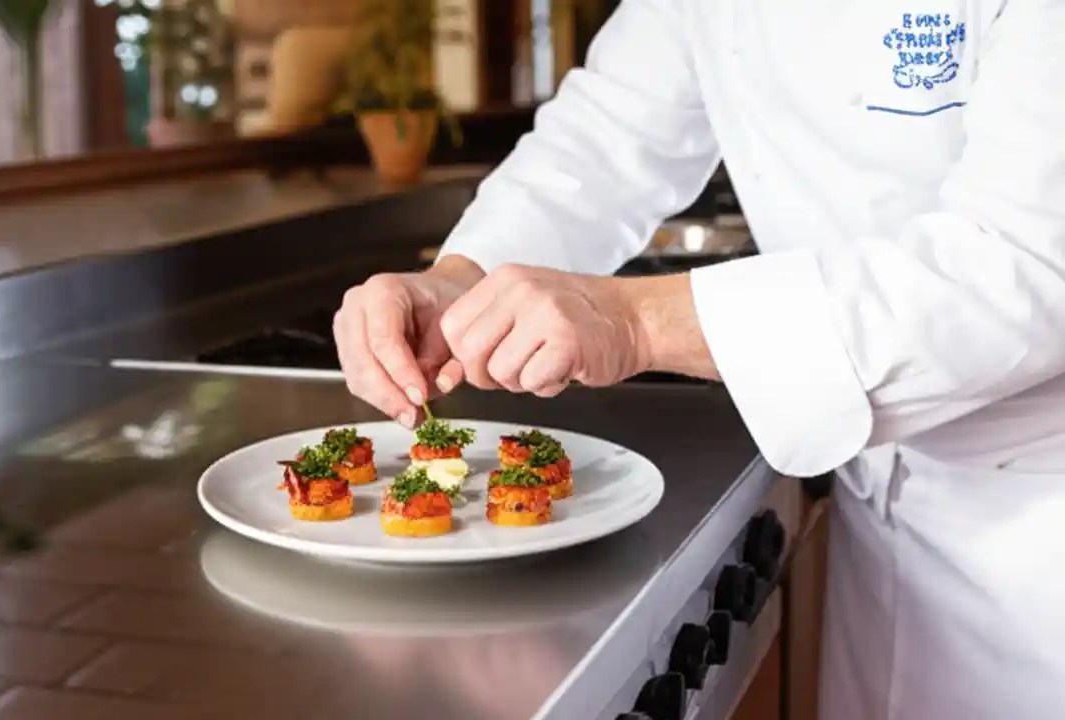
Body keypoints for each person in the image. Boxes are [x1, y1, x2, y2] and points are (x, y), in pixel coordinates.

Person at [333, 1, 1065, 718]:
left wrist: (636, 319)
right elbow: (601, 139)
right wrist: (462, 279)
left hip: (1041, 522)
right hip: (884, 502)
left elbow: (1023, 264)